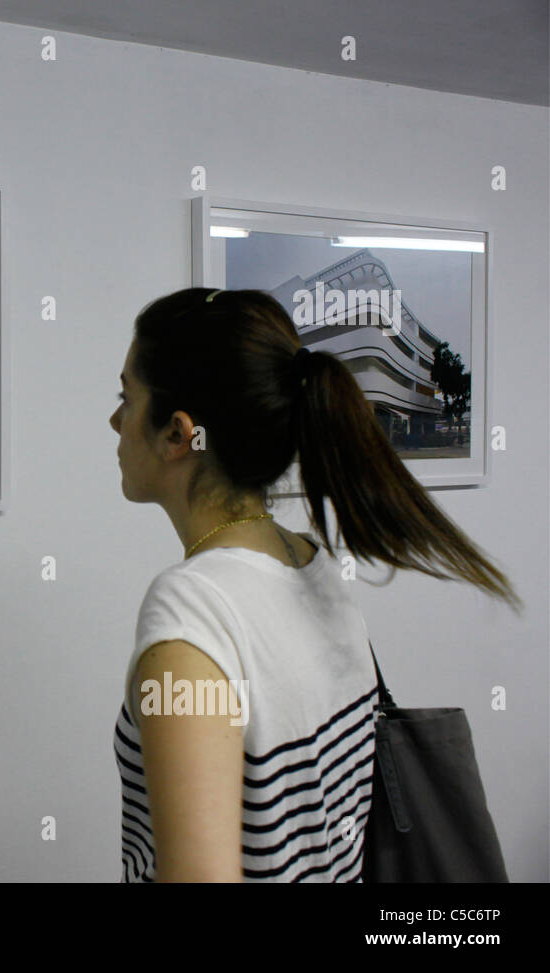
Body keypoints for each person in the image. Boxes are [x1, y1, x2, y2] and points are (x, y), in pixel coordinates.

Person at [109, 287, 522, 883]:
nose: (115, 420)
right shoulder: (312, 566)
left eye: (127, 396)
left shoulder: (194, 617)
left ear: (179, 435)